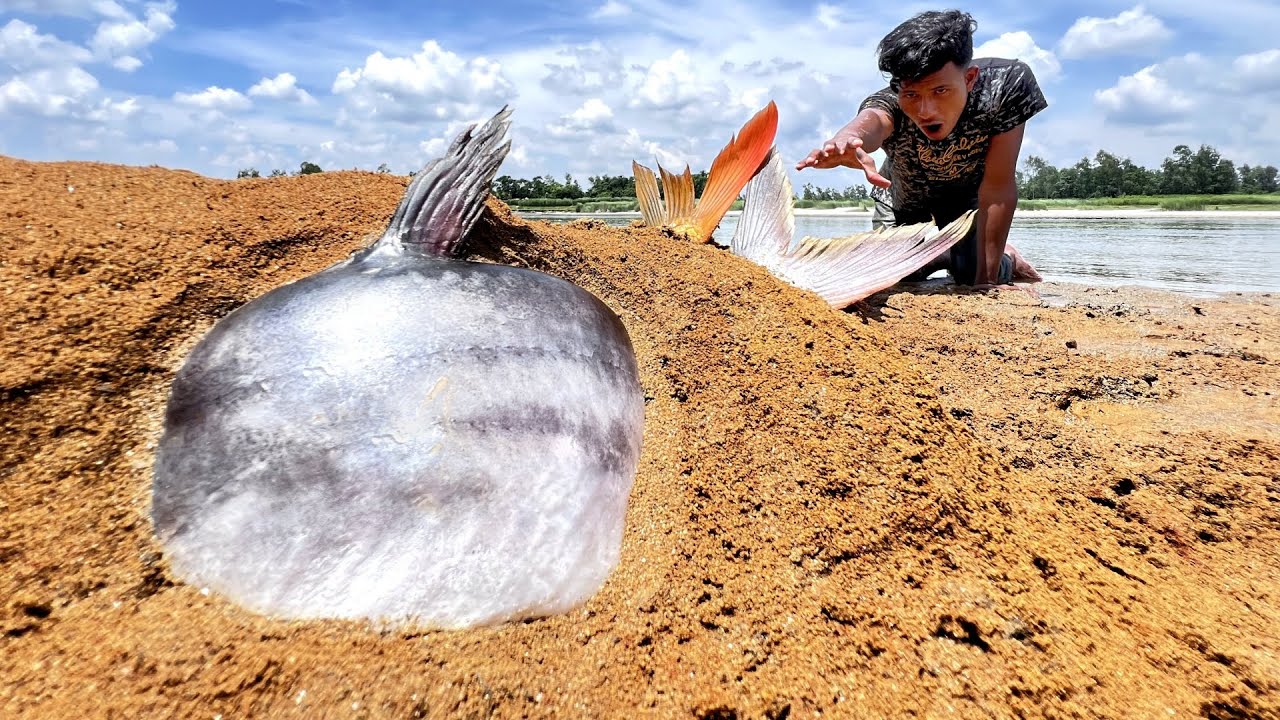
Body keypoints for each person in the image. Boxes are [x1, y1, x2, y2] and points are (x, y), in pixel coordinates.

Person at [796, 9, 1046, 287]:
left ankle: (1002, 257)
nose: (925, 111)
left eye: (940, 91)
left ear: (969, 78)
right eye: (912, 94)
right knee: (891, 275)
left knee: (974, 273)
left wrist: (985, 283)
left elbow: (998, 186)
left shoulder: (1005, 86)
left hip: (965, 202)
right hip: (902, 200)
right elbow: (873, 121)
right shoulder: (891, 100)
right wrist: (848, 138)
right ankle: (939, 255)